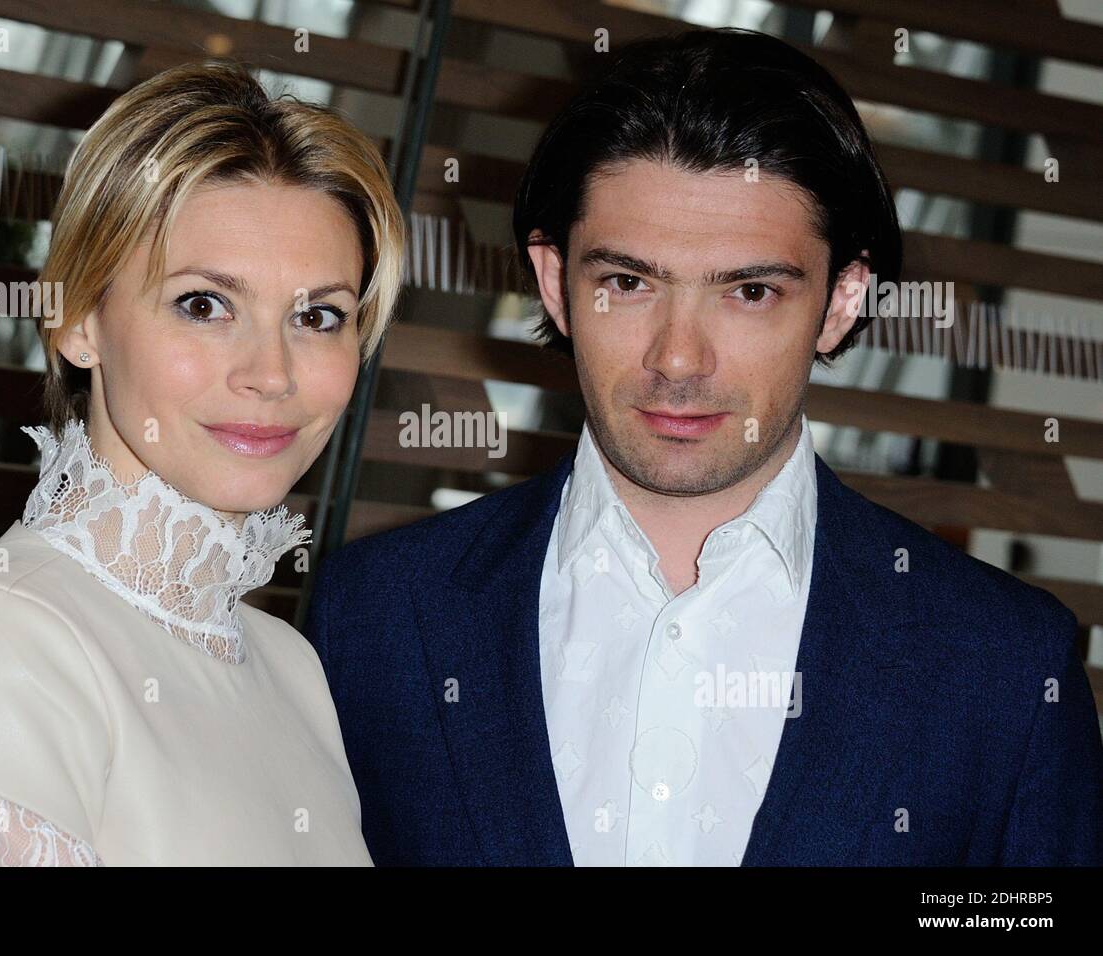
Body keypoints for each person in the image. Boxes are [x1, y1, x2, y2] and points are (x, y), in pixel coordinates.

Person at [305, 29, 1103, 866]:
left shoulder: (1005, 665)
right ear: (554, 283)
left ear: (841, 301)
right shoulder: (379, 616)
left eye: (749, 292)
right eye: (628, 283)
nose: (677, 359)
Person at [0, 59, 403, 865]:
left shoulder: (292, 667)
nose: (271, 372)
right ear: (78, 322)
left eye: (318, 316)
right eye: (203, 304)